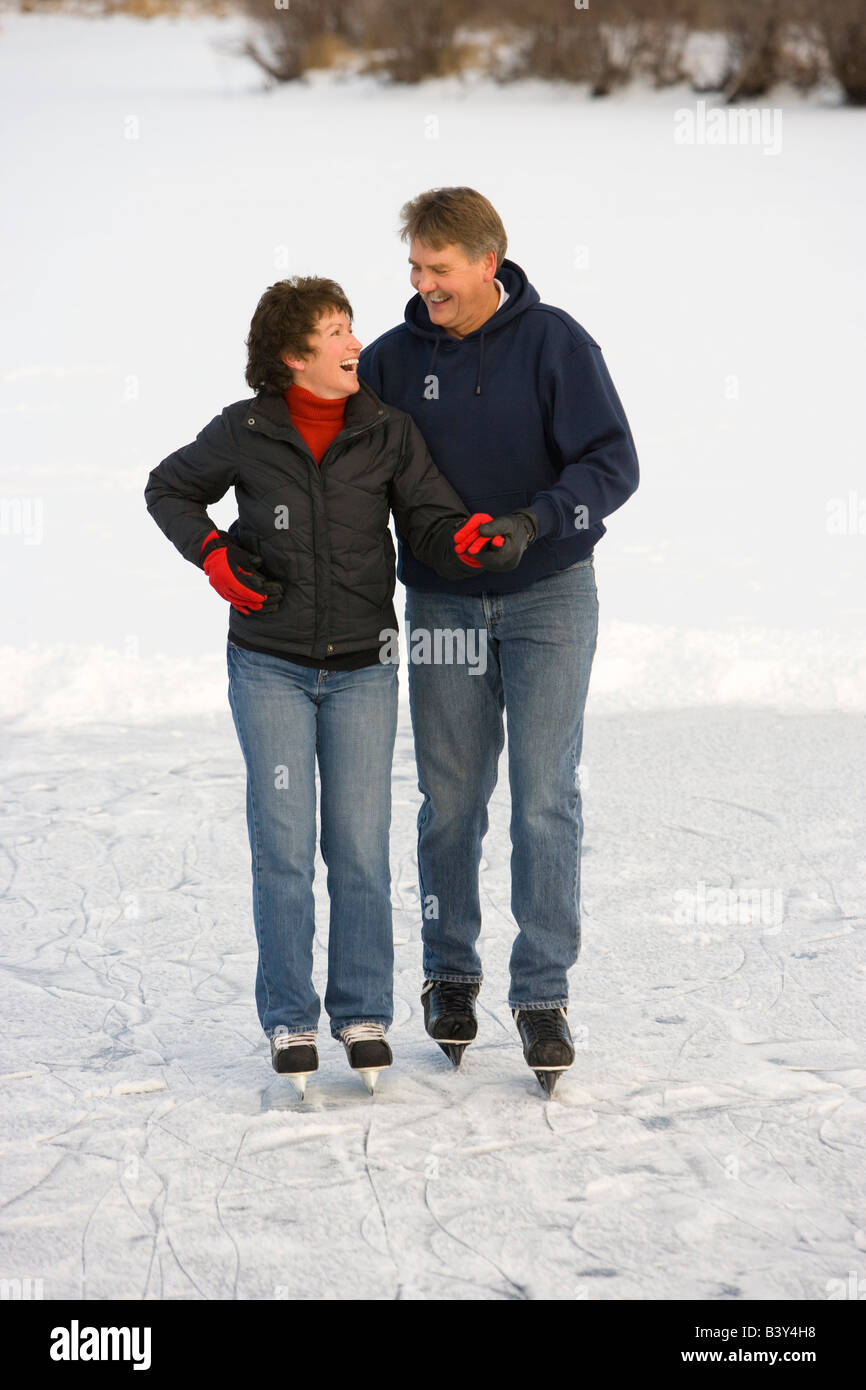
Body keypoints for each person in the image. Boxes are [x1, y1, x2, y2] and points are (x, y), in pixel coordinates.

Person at [144, 276, 474, 1097]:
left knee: (360, 845)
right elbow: (169, 487)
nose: (354, 341)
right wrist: (214, 556)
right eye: (335, 330)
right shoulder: (245, 430)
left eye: (351, 325)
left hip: (364, 666)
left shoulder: (387, 431)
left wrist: (466, 535)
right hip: (270, 665)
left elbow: (428, 514)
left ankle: (362, 1013)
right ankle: (289, 1018)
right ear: (295, 356)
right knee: (284, 845)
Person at [358, 188, 640, 1095]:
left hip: (550, 596)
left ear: (488, 261)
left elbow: (613, 464)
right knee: (450, 799)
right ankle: (451, 972)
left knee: (544, 796)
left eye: (438, 268)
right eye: (414, 268)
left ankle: (543, 991)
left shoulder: (557, 341)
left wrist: (534, 521)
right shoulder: (392, 362)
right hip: (442, 607)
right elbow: (347, 476)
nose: (422, 283)